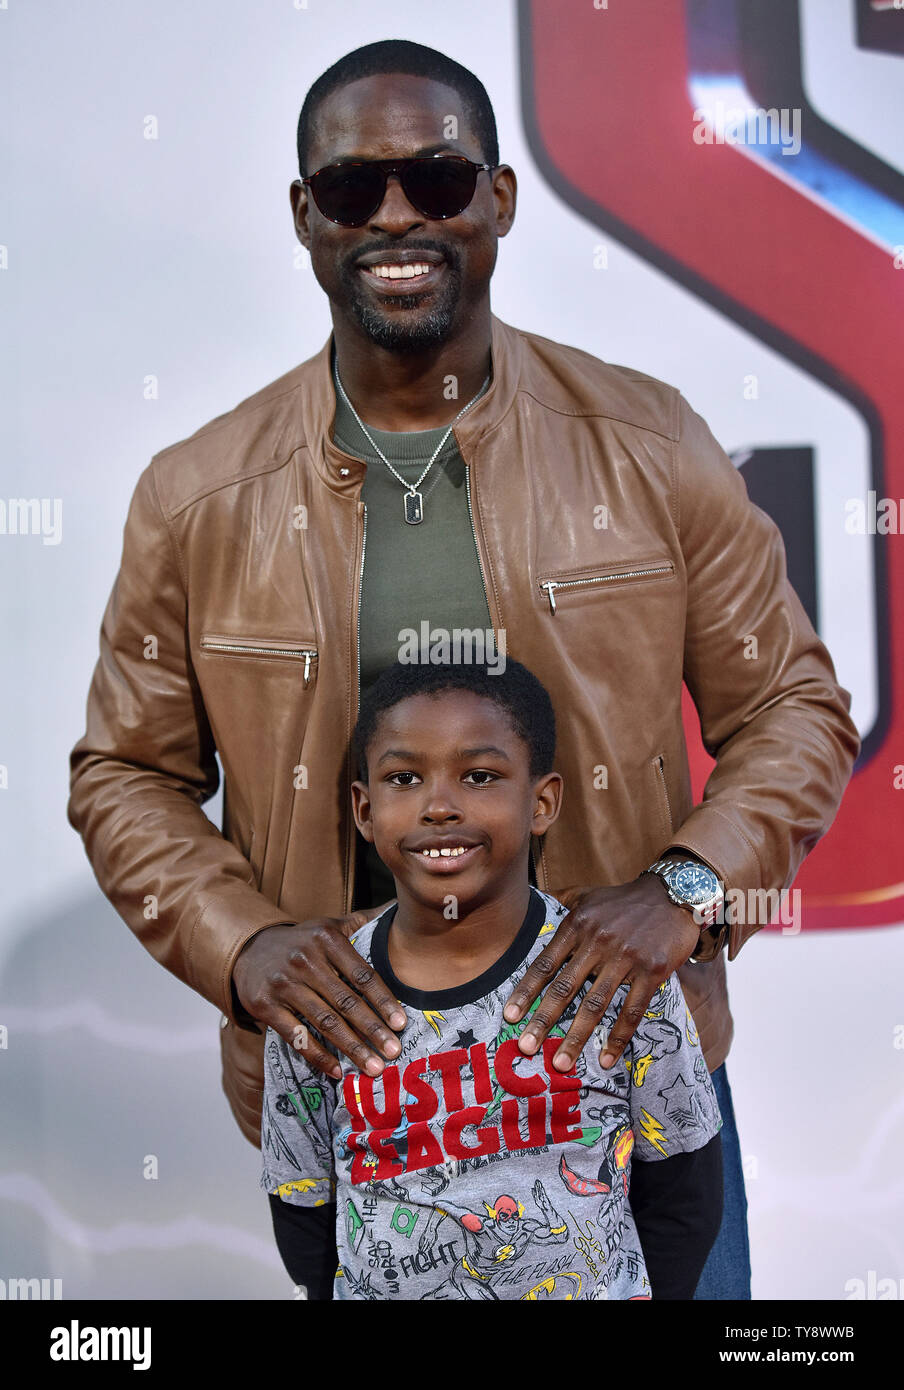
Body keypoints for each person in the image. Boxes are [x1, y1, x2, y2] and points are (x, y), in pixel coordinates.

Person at [67, 39, 860, 1301]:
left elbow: (794, 707)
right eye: (350, 189)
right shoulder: (196, 495)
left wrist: (688, 889)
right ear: (302, 217)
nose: (395, 218)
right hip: (364, 1120)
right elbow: (125, 772)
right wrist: (243, 940)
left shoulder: (647, 443)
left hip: (628, 1097)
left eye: (436, 182)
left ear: (497, 199)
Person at [262, 657, 724, 1301]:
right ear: (364, 812)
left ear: (542, 802)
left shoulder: (618, 970)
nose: (440, 806)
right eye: (404, 778)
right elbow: (303, 1205)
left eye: (479, 776)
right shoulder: (320, 993)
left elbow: (684, 1188)